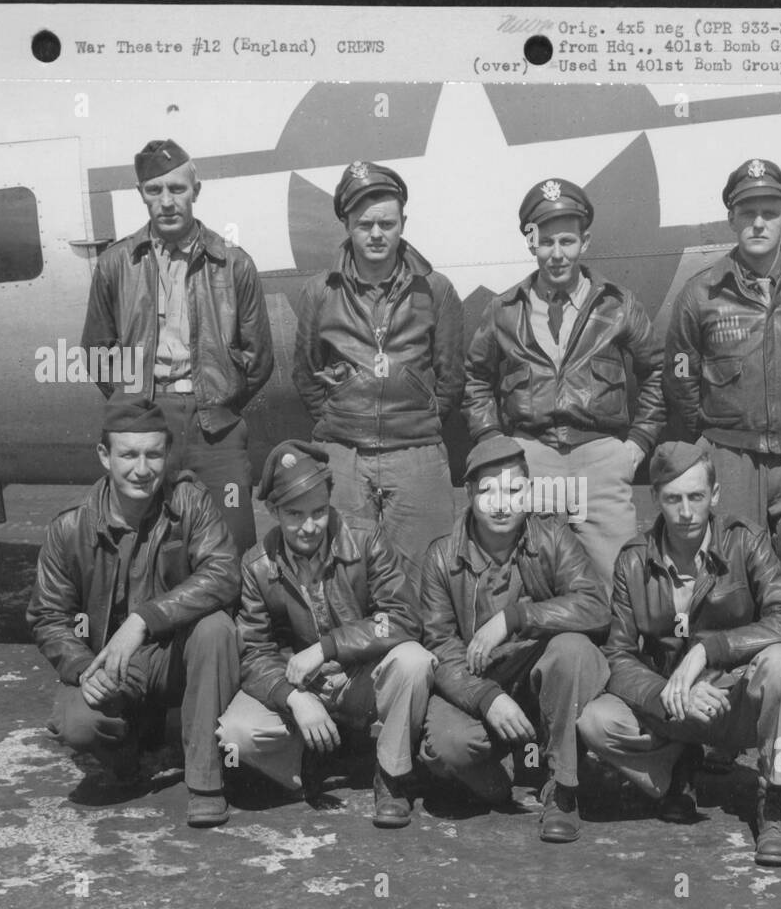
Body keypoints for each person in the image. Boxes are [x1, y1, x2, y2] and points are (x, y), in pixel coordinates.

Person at [577, 439, 781, 865]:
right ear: (655, 499)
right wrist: (669, 693)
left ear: (715, 496)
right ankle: (676, 764)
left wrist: (710, 650)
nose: (686, 512)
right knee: (596, 721)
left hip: (735, 699)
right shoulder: (633, 561)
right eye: (673, 499)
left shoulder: (746, 542)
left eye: (696, 497)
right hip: (673, 705)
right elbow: (618, 655)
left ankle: (775, 799)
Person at [26, 397, 241, 828]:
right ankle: (127, 748)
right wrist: (86, 668)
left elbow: (223, 572)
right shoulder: (69, 529)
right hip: (111, 664)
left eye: (153, 454)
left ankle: (204, 781)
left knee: (216, 628)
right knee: (77, 723)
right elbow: (49, 616)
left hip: (174, 656)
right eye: (128, 454)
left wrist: (143, 620)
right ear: (105, 456)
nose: (142, 469)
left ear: (168, 453)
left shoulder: (190, 502)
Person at [215, 441, 434, 829]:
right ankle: (307, 760)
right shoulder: (257, 564)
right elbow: (253, 653)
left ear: (330, 500)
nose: (309, 526)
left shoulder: (366, 539)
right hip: (302, 686)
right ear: (273, 511)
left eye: (319, 511)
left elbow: (401, 617)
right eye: (295, 514)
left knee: (415, 661)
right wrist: (294, 698)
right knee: (236, 735)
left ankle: (391, 776)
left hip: (359, 677)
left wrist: (327, 647)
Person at [464, 178, 666, 582]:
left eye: (567, 242)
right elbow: (475, 378)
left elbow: (656, 372)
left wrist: (637, 445)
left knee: (619, 577)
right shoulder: (504, 310)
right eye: (546, 242)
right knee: (535, 577)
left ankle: (619, 649)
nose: (557, 254)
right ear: (530, 242)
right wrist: (495, 446)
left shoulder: (618, 305)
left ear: (585, 242)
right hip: (531, 459)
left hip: (601, 460)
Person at [82, 138, 275, 556]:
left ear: (196, 191)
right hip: (148, 422)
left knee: (233, 541)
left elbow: (259, 357)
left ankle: (230, 622)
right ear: (142, 196)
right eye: (155, 190)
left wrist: (220, 398)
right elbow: (97, 351)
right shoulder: (116, 264)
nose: (167, 202)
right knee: (148, 546)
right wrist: (134, 402)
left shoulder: (234, 262)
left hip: (217, 428)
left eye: (177, 189)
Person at [664, 158, 781, 579]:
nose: (758, 223)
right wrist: (715, 430)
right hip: (729, 452)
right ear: (731, 218)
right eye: (748, 213)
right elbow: (681, 374)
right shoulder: (701, 294)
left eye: (770, 213)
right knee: (731, 568)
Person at [418, 437, 611, 843]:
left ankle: (563, 788)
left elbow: (594, 606)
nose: (501, 504)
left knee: (573, 649)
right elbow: (440, 646)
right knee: (447, 745)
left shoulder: (553, 537)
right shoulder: (441, 556)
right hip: (479, 683)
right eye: (487, 491)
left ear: (530, 491)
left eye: (513, 490)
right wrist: (486, 697)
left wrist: (516, 617)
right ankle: (503, 782)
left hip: (539, 676)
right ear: (468, 495)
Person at [291, 160, 465, 584]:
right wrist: (339, 423)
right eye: (364, 223)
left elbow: (451, 378)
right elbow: (306, 373)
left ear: (403, 222)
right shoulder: (319, 292)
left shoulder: (435, 289)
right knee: (346, 576)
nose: (376, 234)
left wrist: (417, 421)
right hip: (344, 455)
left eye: (387, 223)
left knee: (427, 575)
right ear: (346, 223)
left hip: (417, 454)